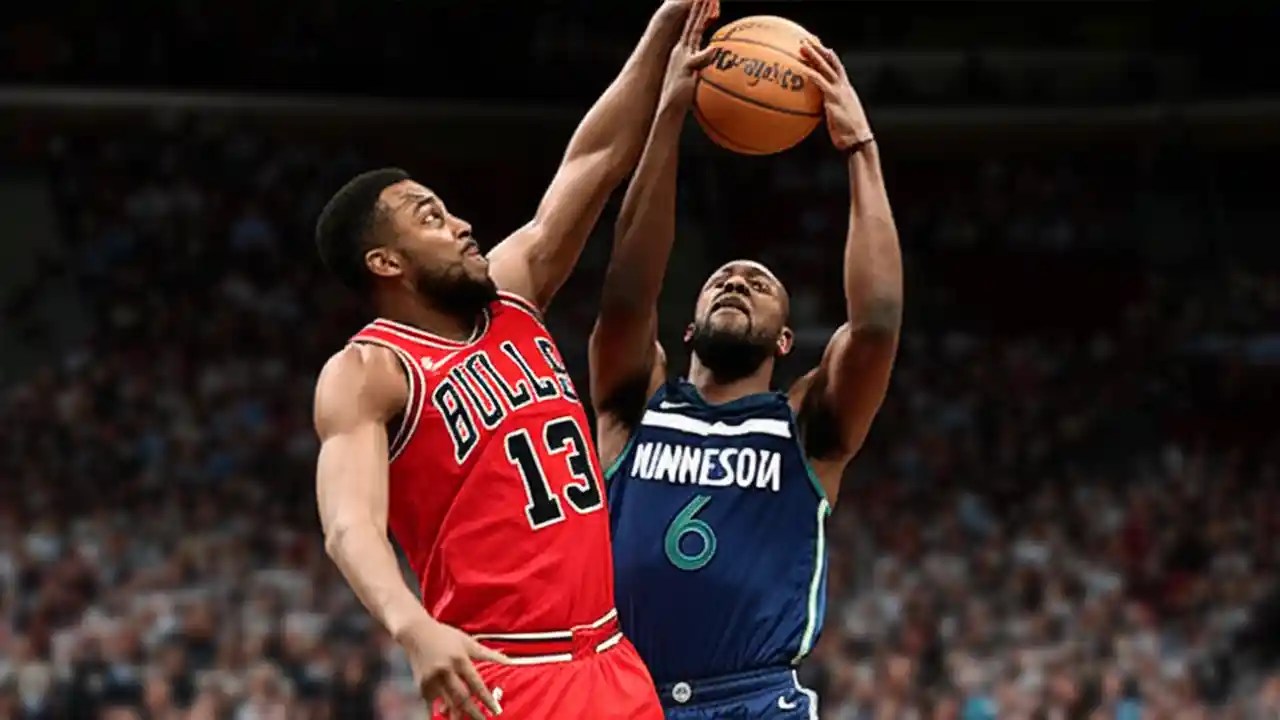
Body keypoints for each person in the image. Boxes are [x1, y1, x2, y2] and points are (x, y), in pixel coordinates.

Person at [310, 2, 720, 718]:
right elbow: (349, 526)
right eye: (430, 219)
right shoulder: (370, 371)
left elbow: (593, 161)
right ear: (386, 261)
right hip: (507, 672)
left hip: (612, 659)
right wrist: (412, 627)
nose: (461, 224)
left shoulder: (513, 292)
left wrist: (663, 24)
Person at [590, 35, 902, 719]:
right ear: (690, 327)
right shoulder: (635, 406)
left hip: (753, 701)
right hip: (620, 694)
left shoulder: (806, 424)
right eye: (722, 280)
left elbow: (876, 326)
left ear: (786, 339)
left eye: (759, 284)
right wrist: (668, 118)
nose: (737, 279)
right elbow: (626, 296)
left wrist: (861, 151)